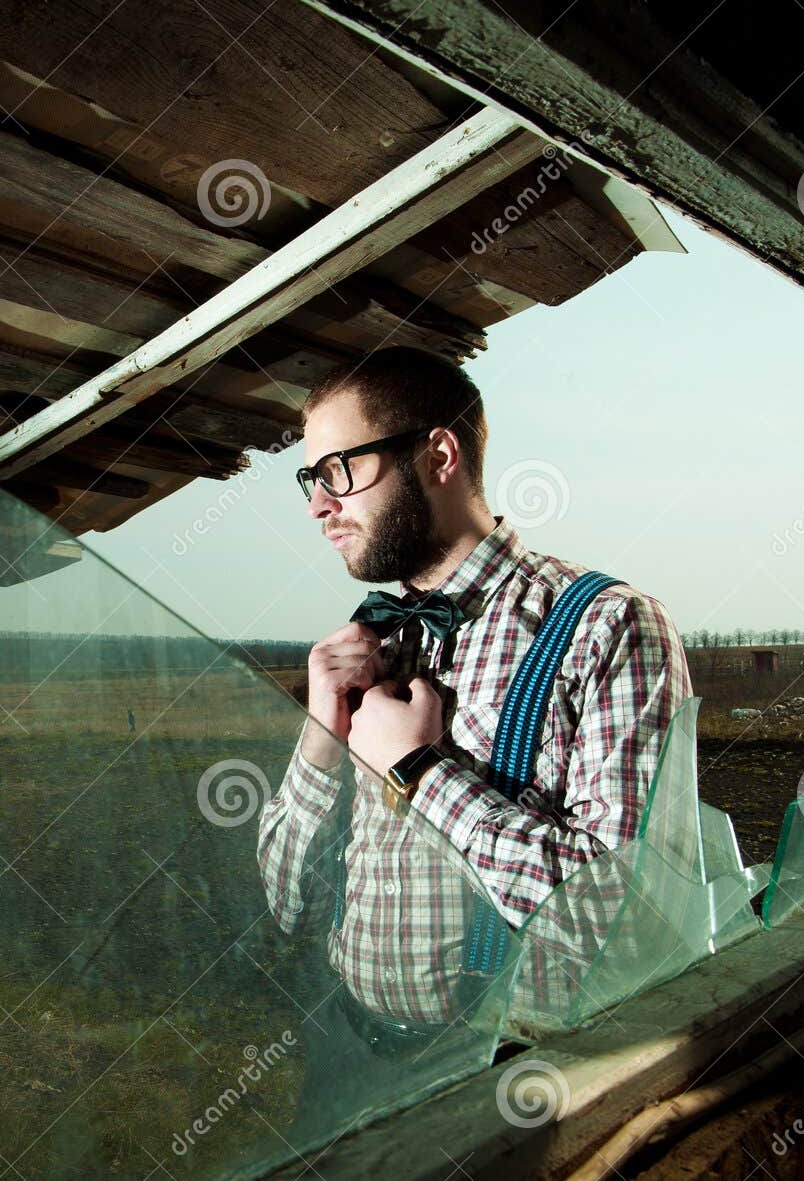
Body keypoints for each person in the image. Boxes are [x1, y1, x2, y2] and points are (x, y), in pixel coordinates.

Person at [255, 347, 692, 1122]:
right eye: (310, 479)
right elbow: (286, 901)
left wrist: (421, 770)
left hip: (508, 1082)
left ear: (439, 455)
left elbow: (623, 919)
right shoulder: (366, 642)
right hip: (341, 1058)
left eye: (339, 471)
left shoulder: (608, 625)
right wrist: (324, 734)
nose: (319, 505)